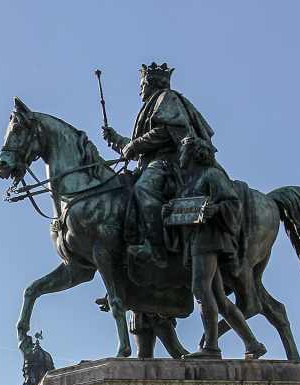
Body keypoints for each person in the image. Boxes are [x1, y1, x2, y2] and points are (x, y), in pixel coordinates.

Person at [102, 62, 215, 269]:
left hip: (168, 162)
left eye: (142, 83)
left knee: (143, 189)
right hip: (150, 163)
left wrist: (134, 145)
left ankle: (155, 248)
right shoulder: (153, 104)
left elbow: (165, 132)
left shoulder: (166, 98)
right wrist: (116, 139)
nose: (140, 89)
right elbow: (138, 151)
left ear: (152, 82)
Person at [178, 135, 266, 360]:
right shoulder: (193, 179)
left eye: (184, 151)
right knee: (218, 297)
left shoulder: (211, 175)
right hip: (198, 238)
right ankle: (252, 343)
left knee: (200, 288)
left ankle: (211, 348)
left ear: (194, 154)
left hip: (209, 239)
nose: (181, 155)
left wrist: (214, 210)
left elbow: (232, 202)